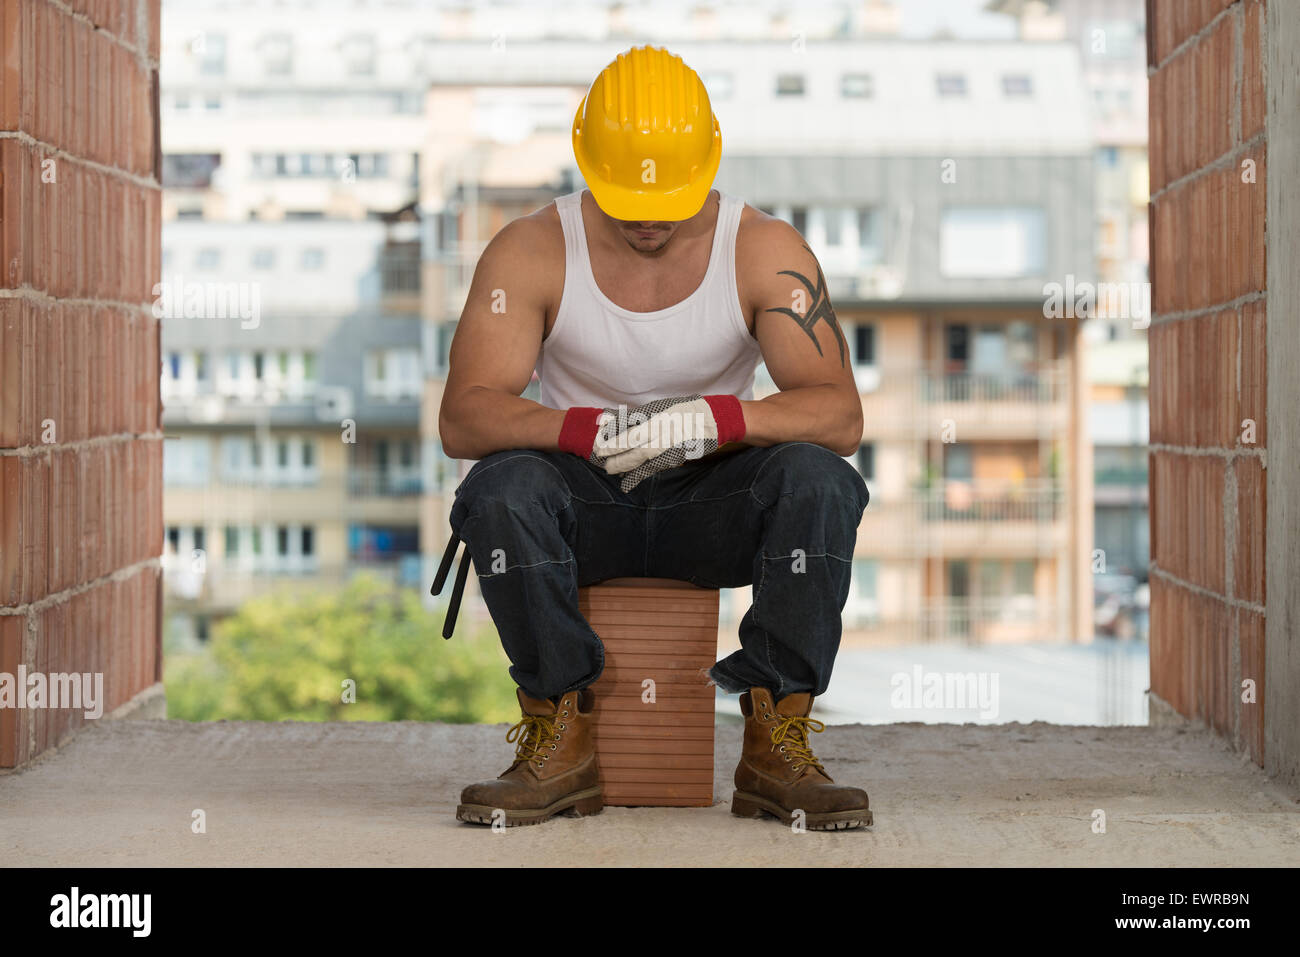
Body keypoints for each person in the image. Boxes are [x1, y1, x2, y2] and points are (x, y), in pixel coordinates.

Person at [438, 45, 872, 830]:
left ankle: (776, 744)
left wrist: (718, 420)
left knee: (818, 479)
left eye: (670, 198)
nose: (647, 218)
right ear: (587, 163)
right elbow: (463, 416)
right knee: (499, 489)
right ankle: (560, 733)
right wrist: (583, 431)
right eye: (626, 199)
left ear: (709, 163)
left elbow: (839, 416)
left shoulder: (763, 249)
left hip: (714, 502)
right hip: (582, 504)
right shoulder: (531, 249)